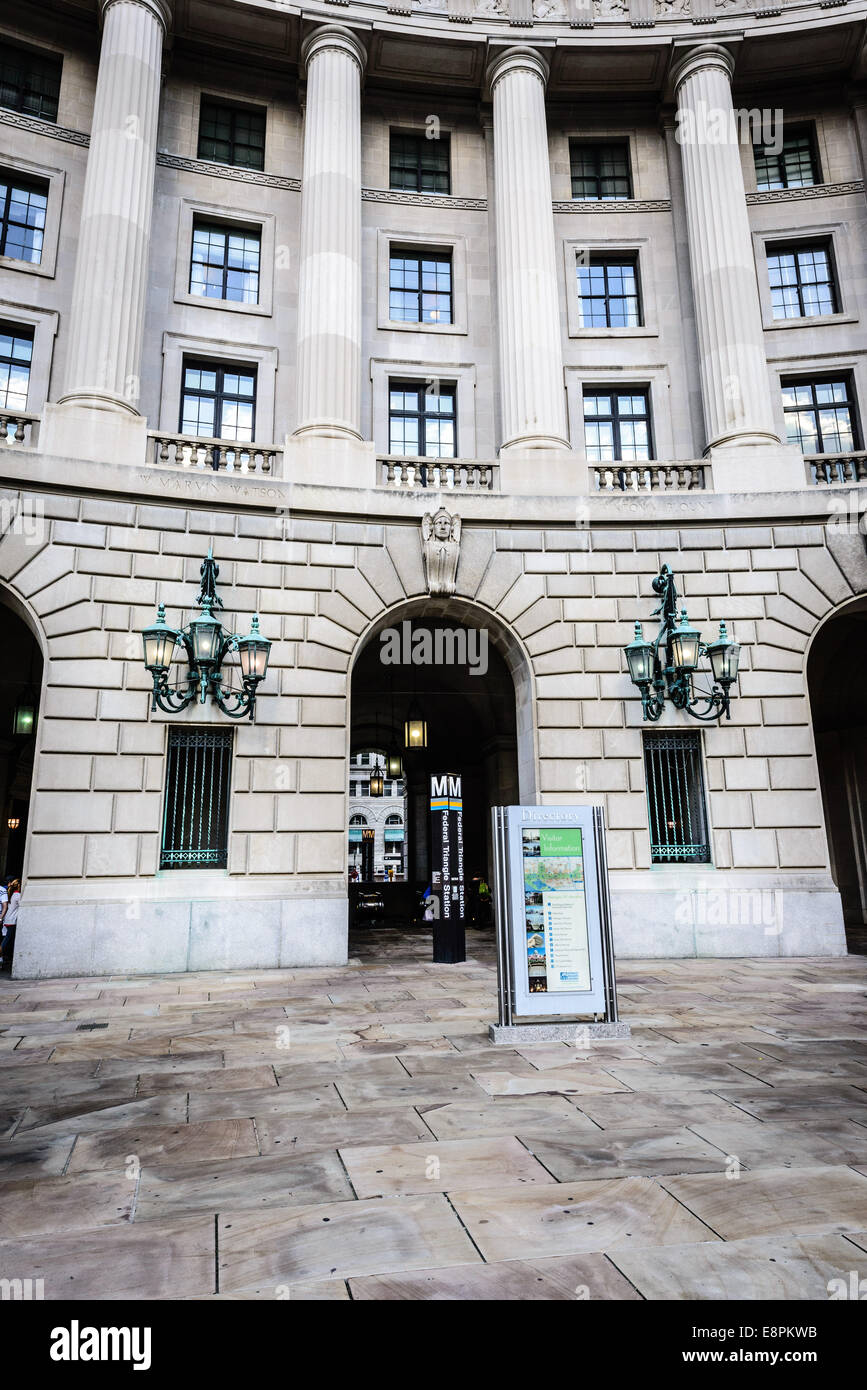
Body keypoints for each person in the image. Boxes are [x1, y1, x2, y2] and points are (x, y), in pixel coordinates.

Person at [0, 879, 19, 971]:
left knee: (7, 940)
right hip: (11, 921)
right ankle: (1, 957)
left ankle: (5, 958)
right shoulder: (17, 895)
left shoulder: (9, 894)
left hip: (7, 920)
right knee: (6, 941)